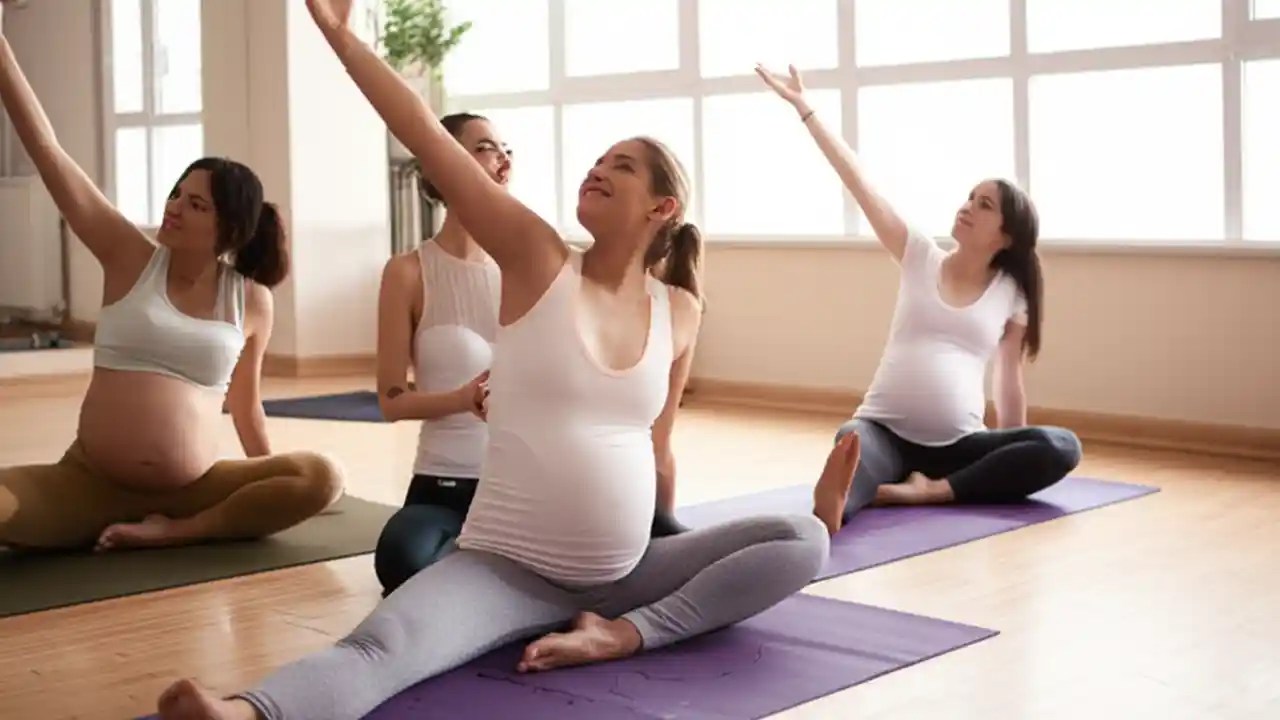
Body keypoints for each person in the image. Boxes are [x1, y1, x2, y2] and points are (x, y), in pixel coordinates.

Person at [151, 3, 841, 718]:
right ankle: (245, 713)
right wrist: (342, 39)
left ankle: (627, 635)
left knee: (802, 537)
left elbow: (659, 444)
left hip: (627, 572)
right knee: (382, 645)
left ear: (661, 208)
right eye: (597, 160)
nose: (597, 169)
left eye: (622, 165)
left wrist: (660, 572)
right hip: (504, 570)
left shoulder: (680, 310)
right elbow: (426, 135)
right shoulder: (539, 259)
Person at [0, 19, 344, 552]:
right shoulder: (128, 255)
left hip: (193, 493)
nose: (174, 208)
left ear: (229, 229)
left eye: (196, 204)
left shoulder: (251, 300)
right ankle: (122, 525)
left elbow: (246, 407)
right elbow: (49, 152)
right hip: (86, 484)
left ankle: (175, 532)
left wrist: (273, 486)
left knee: (321, 475)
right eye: (176, 194)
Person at [372, 112, 691, 596]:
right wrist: (461, 399)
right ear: (444, 162)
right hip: (448, 486)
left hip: (545, 495)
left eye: (507, 149)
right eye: (484, 148)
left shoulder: (541, 267)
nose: (502, 158)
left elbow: (651, 432)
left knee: (681, 548)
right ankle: (494, 576)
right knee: (402, 559)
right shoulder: (408, 273)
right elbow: (391, 400)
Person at [757, 63, 1083, 536]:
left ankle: (933, 490)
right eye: (970, 197)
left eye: (984, 205)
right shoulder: (918, 255)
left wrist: (1006, 447)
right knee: (851, 444)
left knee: (1061, 446)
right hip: (882, 431)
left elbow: (1008, 379)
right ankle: (837, 507)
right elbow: (861, 184)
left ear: (1006, 235)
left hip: (958, 446)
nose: (967, 206)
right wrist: (806, 109)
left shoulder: (1011, 294)